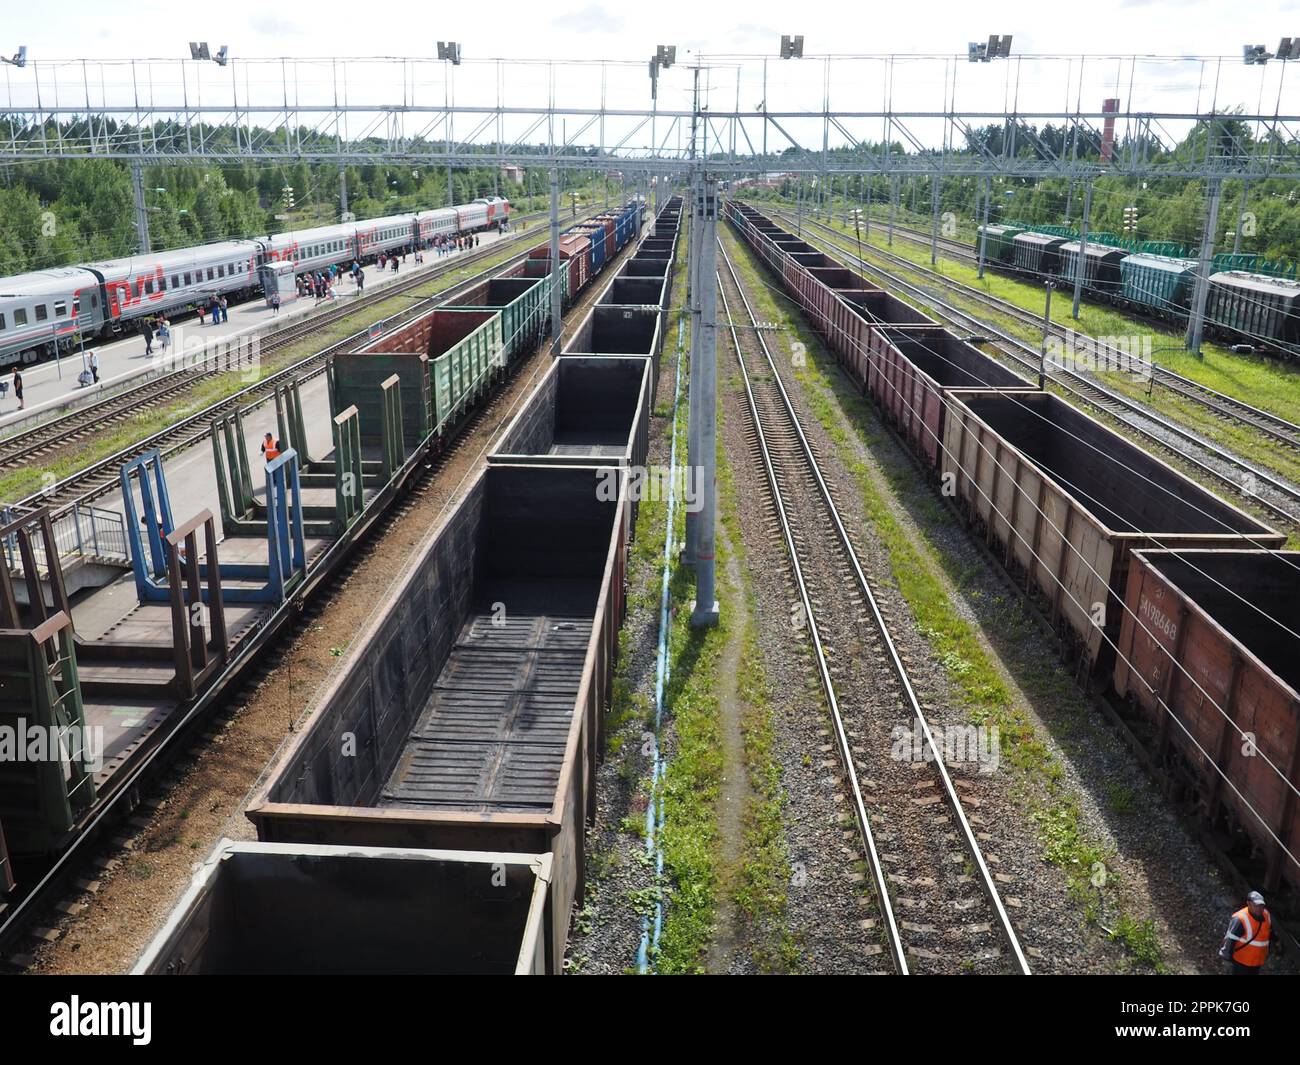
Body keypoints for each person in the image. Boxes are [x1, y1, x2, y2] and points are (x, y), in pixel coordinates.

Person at [1221, 891, 1271, 974]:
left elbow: (1267, 933)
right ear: (1249, 904)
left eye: (1261, 906)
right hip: (1241, 962)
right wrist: (1226, 959)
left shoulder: (1266, 914)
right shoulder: (1240, 919)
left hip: (1257, 962)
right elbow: (1230, 941)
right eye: (1256, 905)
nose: (1259, 908)